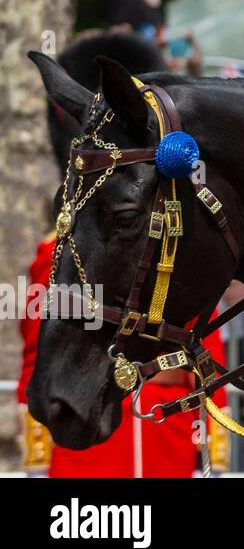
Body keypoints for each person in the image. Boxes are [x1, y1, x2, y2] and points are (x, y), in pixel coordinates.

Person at [20, 30, 229, 476]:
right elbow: (40, 352)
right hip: (89, 448)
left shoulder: (178, 245)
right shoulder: (50, 254)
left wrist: (210, 435)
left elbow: (205, 350)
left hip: (164, 438)